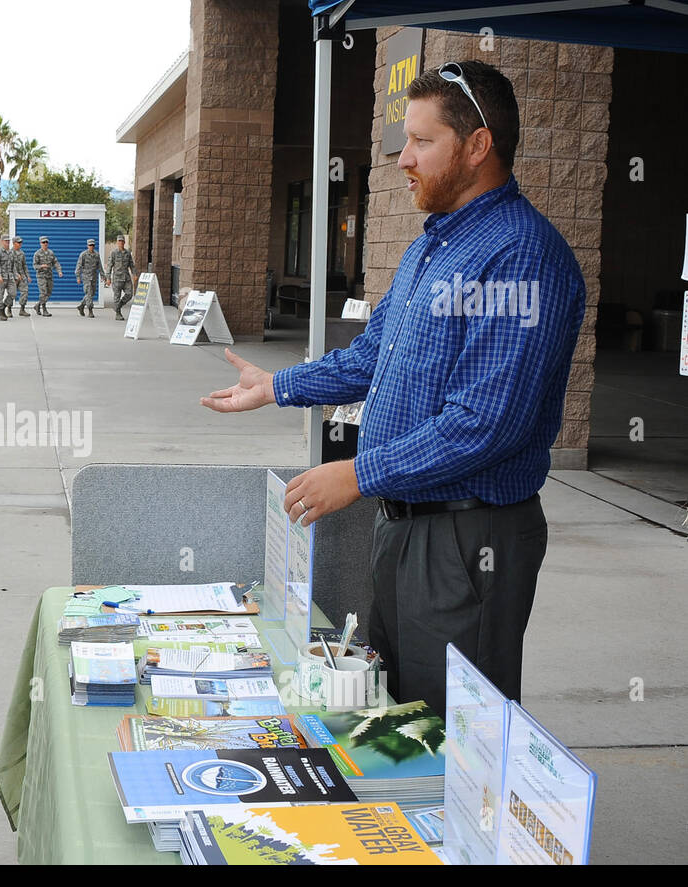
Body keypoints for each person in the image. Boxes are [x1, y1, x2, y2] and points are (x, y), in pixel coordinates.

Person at [201, 61, 584, 715]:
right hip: (406, 528)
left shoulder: (520, 256)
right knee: (395, 720)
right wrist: (279, 385)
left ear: (478, 146)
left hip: (469, 540)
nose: (402, 158)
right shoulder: (432, 246)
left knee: (449, 736)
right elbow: (373, 357)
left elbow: (484, 423)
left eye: (422, 141)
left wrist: (358, 473)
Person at [105, 234, 135, 320]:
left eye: (122, 241)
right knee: (116, 297)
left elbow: (131, 265)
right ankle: (118, 314)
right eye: (119, 241)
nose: (121, 243)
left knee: (129, 294)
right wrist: (108, 278)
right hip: (117, 278)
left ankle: (118, 306)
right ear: (117, 242)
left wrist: (134, 274)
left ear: (124, 242)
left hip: (126, 278)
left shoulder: (128, 253)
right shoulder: (113, 253)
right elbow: (109, 266)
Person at [75, 237, 105, 317]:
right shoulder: (83, 255)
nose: (91, 246)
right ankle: (90, 310)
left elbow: (100, 266)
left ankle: (81, 306)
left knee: (92, 293)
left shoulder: (96, 254)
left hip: (94, 277)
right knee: (88, 293)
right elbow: (78, 266)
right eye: (90, 245)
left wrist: (103, 275)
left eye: (92, 245)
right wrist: (78, 277)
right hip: (86, 277)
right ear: (87, 245)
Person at [32, 235, 62, 316]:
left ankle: (37, 305)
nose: (45, 243)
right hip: (41, 276)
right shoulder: (37, 254)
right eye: (43, 242)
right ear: (40, 243)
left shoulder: (51, 252)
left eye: (46, 242)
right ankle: (44, 310)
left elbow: (56, 262)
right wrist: (41, 266)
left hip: (49, 276)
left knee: (49, 293)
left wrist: (59, 271)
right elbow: (34, 266)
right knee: (43, 293)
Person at [0, 234, 15, 320]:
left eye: (8, 241)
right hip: (1, 278)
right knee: (0, 295)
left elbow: (13, 266)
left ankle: (3, 307)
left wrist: (15, 275)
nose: (7, 243)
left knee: (13, 293)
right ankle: (0, 313)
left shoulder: (11, 253)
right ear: (2, 242)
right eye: (6, 241)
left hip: (10, 277)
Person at [12, 235, 30, 316]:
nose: (20, 244)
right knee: (12, 293)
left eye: (21, 242)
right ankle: (9, 309)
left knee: (25, 291)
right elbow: (10, 266)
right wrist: (16, 274)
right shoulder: (9, 253)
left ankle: (22, 309)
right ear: (14, 243)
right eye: (18, 242)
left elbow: (24, 265)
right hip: (13, 276)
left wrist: (28, 276)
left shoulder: (22, 253)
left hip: (22, 276)